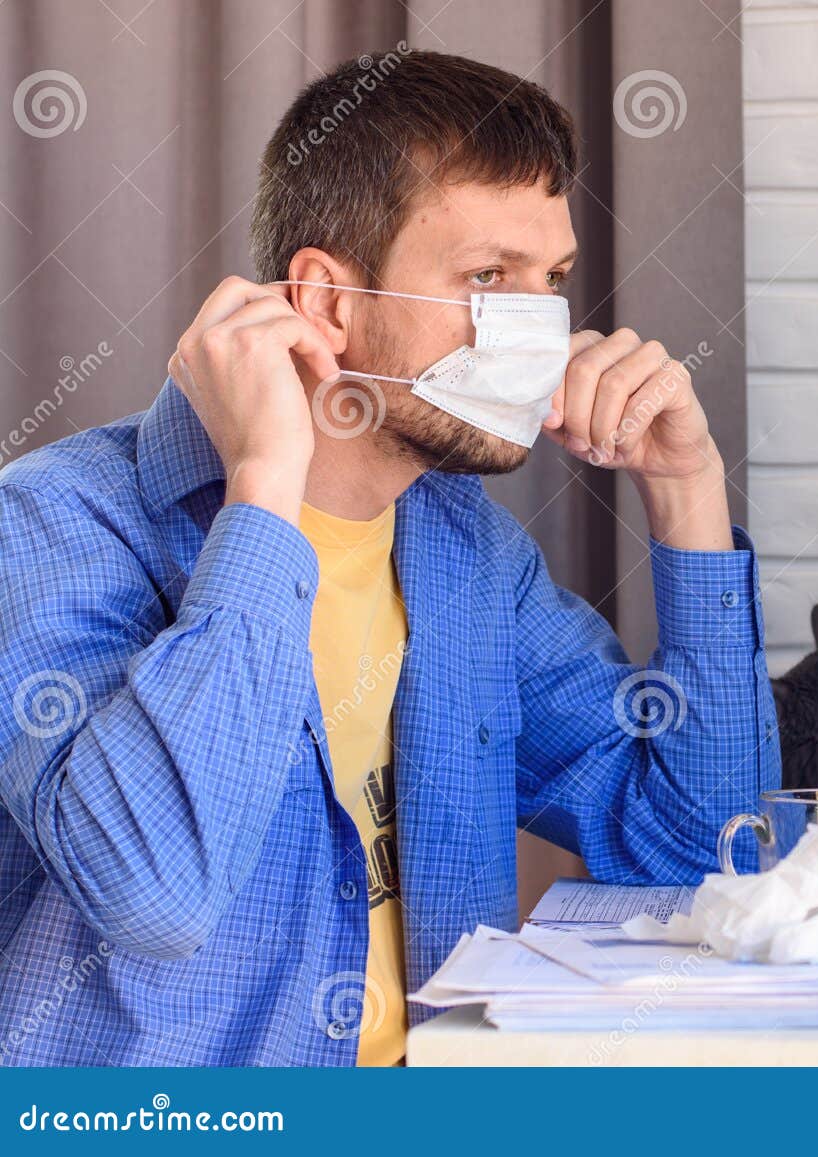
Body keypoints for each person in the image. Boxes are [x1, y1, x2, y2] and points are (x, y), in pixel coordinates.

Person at [0, 50, 778, 1067]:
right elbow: (154, 888)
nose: (539, 327)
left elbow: (708, 850)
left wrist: (688, 491)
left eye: (551, 283)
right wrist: (268, 481)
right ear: (326, 303)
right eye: (487, 279)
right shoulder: (52, 525)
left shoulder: (470, 556)